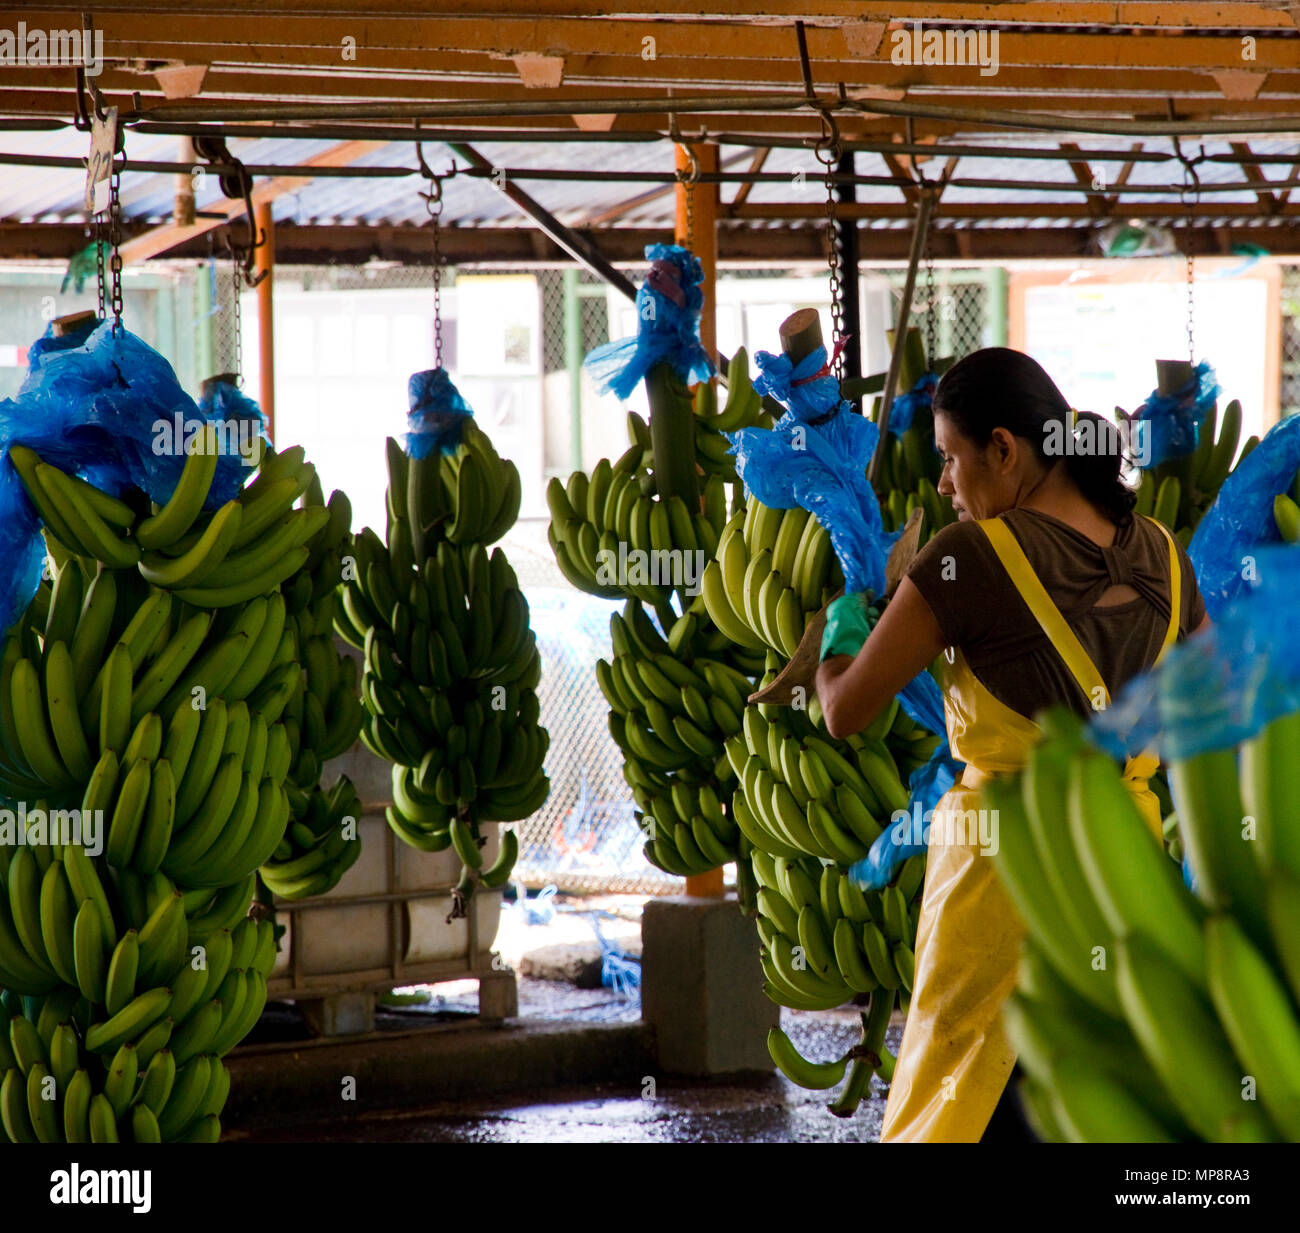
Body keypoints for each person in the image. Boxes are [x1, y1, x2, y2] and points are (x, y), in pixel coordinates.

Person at [815, 347, 1210, 1143]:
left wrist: (837, 640)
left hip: (1001, 898)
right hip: (1124, 892)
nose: (944, 483)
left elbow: (846, 711)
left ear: (1004, 449)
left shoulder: (968, 558)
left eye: (952, 458)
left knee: (972, 1112)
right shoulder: (1164, 553)